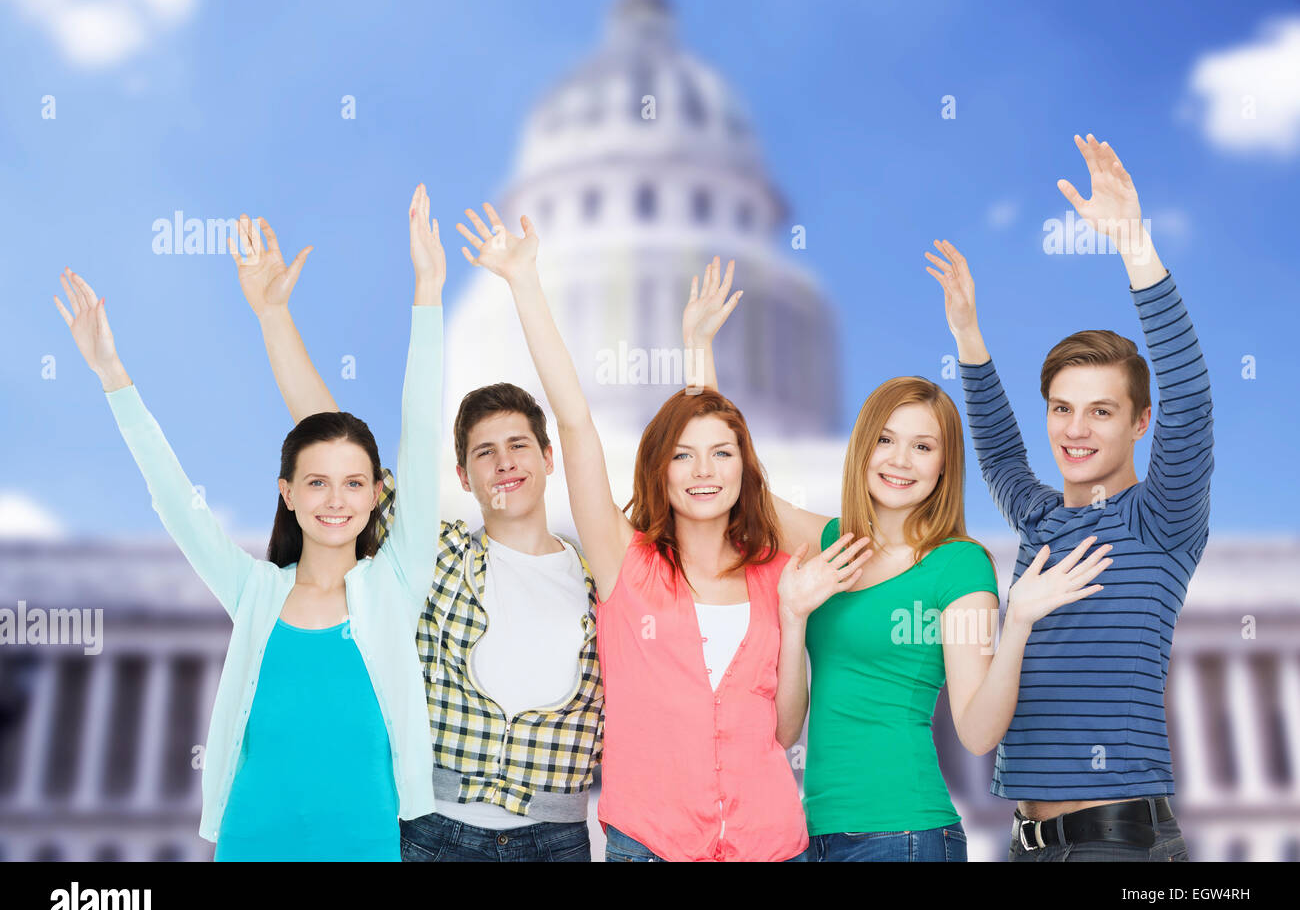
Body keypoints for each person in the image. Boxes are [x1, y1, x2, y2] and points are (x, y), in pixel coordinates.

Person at [457, 204, 873, 862]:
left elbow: (786, 727)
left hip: (772, 845)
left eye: (723, 455)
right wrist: (525, 283)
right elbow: (575, 424)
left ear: (747, 467)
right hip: (650, 844)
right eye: (681, 456)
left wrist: (795, 620)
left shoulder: (778, 574)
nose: (703, 472)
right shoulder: (626, 564)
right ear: (659, 469)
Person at [53, 184, 444, 860]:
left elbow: (423, 425)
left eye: (355, 483)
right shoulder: (256, 591)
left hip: (366, 842)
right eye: (317, 482)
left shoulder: (396, 582)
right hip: (251, 839)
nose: (336, 499)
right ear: (287, 493)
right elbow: (176, 500)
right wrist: (112, 373)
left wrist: (428, 293)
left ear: (378, 493)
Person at [692, 261, 1113, 862]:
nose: (901, 460)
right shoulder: (831, 544)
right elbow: (733, 481)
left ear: (944, 465)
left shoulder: (960, 567)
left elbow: (976, 731)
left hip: (906, 835)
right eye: (886, 440)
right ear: (863, 447)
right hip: (811, 835)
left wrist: (1017, 622)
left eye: (923, 446)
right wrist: (698, 350)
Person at [228, 196, 602, 863]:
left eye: (519, 445)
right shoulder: (433, 553)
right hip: (436, 829)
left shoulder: (600, 573)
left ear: (549, 459)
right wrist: (274, 317)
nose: (505, 462)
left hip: (558, 836)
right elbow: (334, 444)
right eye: (484, 451)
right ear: (462, 475)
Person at [927, 134, 1213, 862]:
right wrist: (968, 335)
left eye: (1101, 410)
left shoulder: (1162, 517)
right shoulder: (1039, 517)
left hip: (1117, 840)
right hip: (1028, 842)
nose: (1076, 430)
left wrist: (1133, 245)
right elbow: (995, 449)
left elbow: (1191, 397)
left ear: (1139, 422)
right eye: (1061, 407)